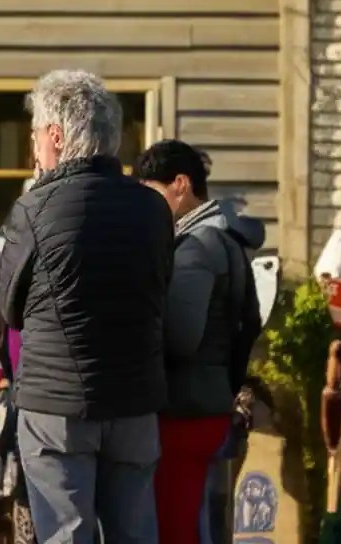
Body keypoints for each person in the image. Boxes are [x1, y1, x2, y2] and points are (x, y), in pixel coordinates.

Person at [0, 70, 173, 544]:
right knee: (134, 534)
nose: (33, 148)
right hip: (135, 398)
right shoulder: (154, 208)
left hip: (57, 404)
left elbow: (10, 308)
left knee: (65, 535)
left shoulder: (35, 208)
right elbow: (161, 291)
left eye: (35, 135)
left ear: (54, 136)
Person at [135, 139, 265, 544]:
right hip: (208, 402)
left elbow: (181, 337)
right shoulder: (226, 240)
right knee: (197, 521)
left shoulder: (195, 247)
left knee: (176, 526)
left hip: (184, 409)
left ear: (180, 184)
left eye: (152, 193)